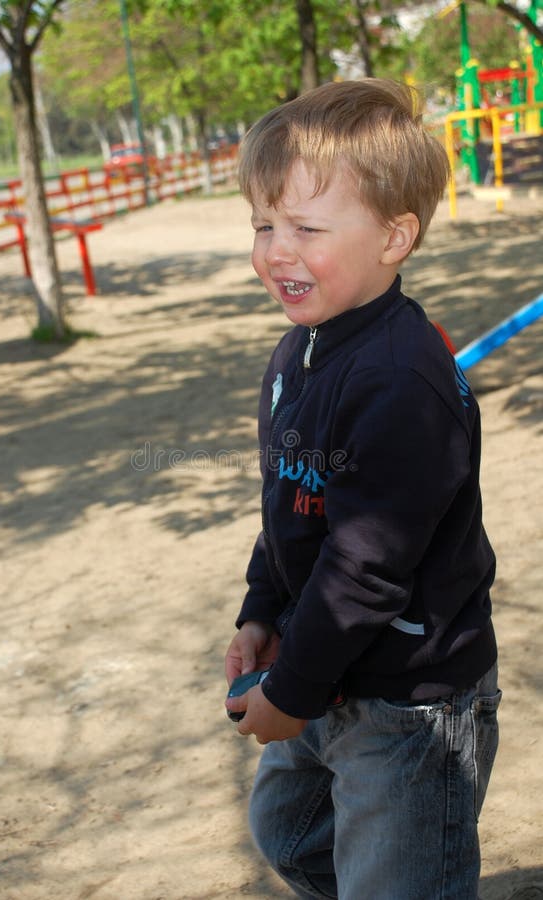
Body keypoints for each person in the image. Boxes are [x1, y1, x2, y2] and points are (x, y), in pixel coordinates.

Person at [223, 78, 501, 900]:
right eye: (262, 224)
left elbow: (364, 565)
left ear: (393, 236)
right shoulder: (298, 353)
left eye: (305, 228)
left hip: (408, 702)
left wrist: (292, 690)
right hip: (319, 661)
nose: (275, 250)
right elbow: (289, 501)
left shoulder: (398, 382)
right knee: (290, 833)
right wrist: (261, 610)